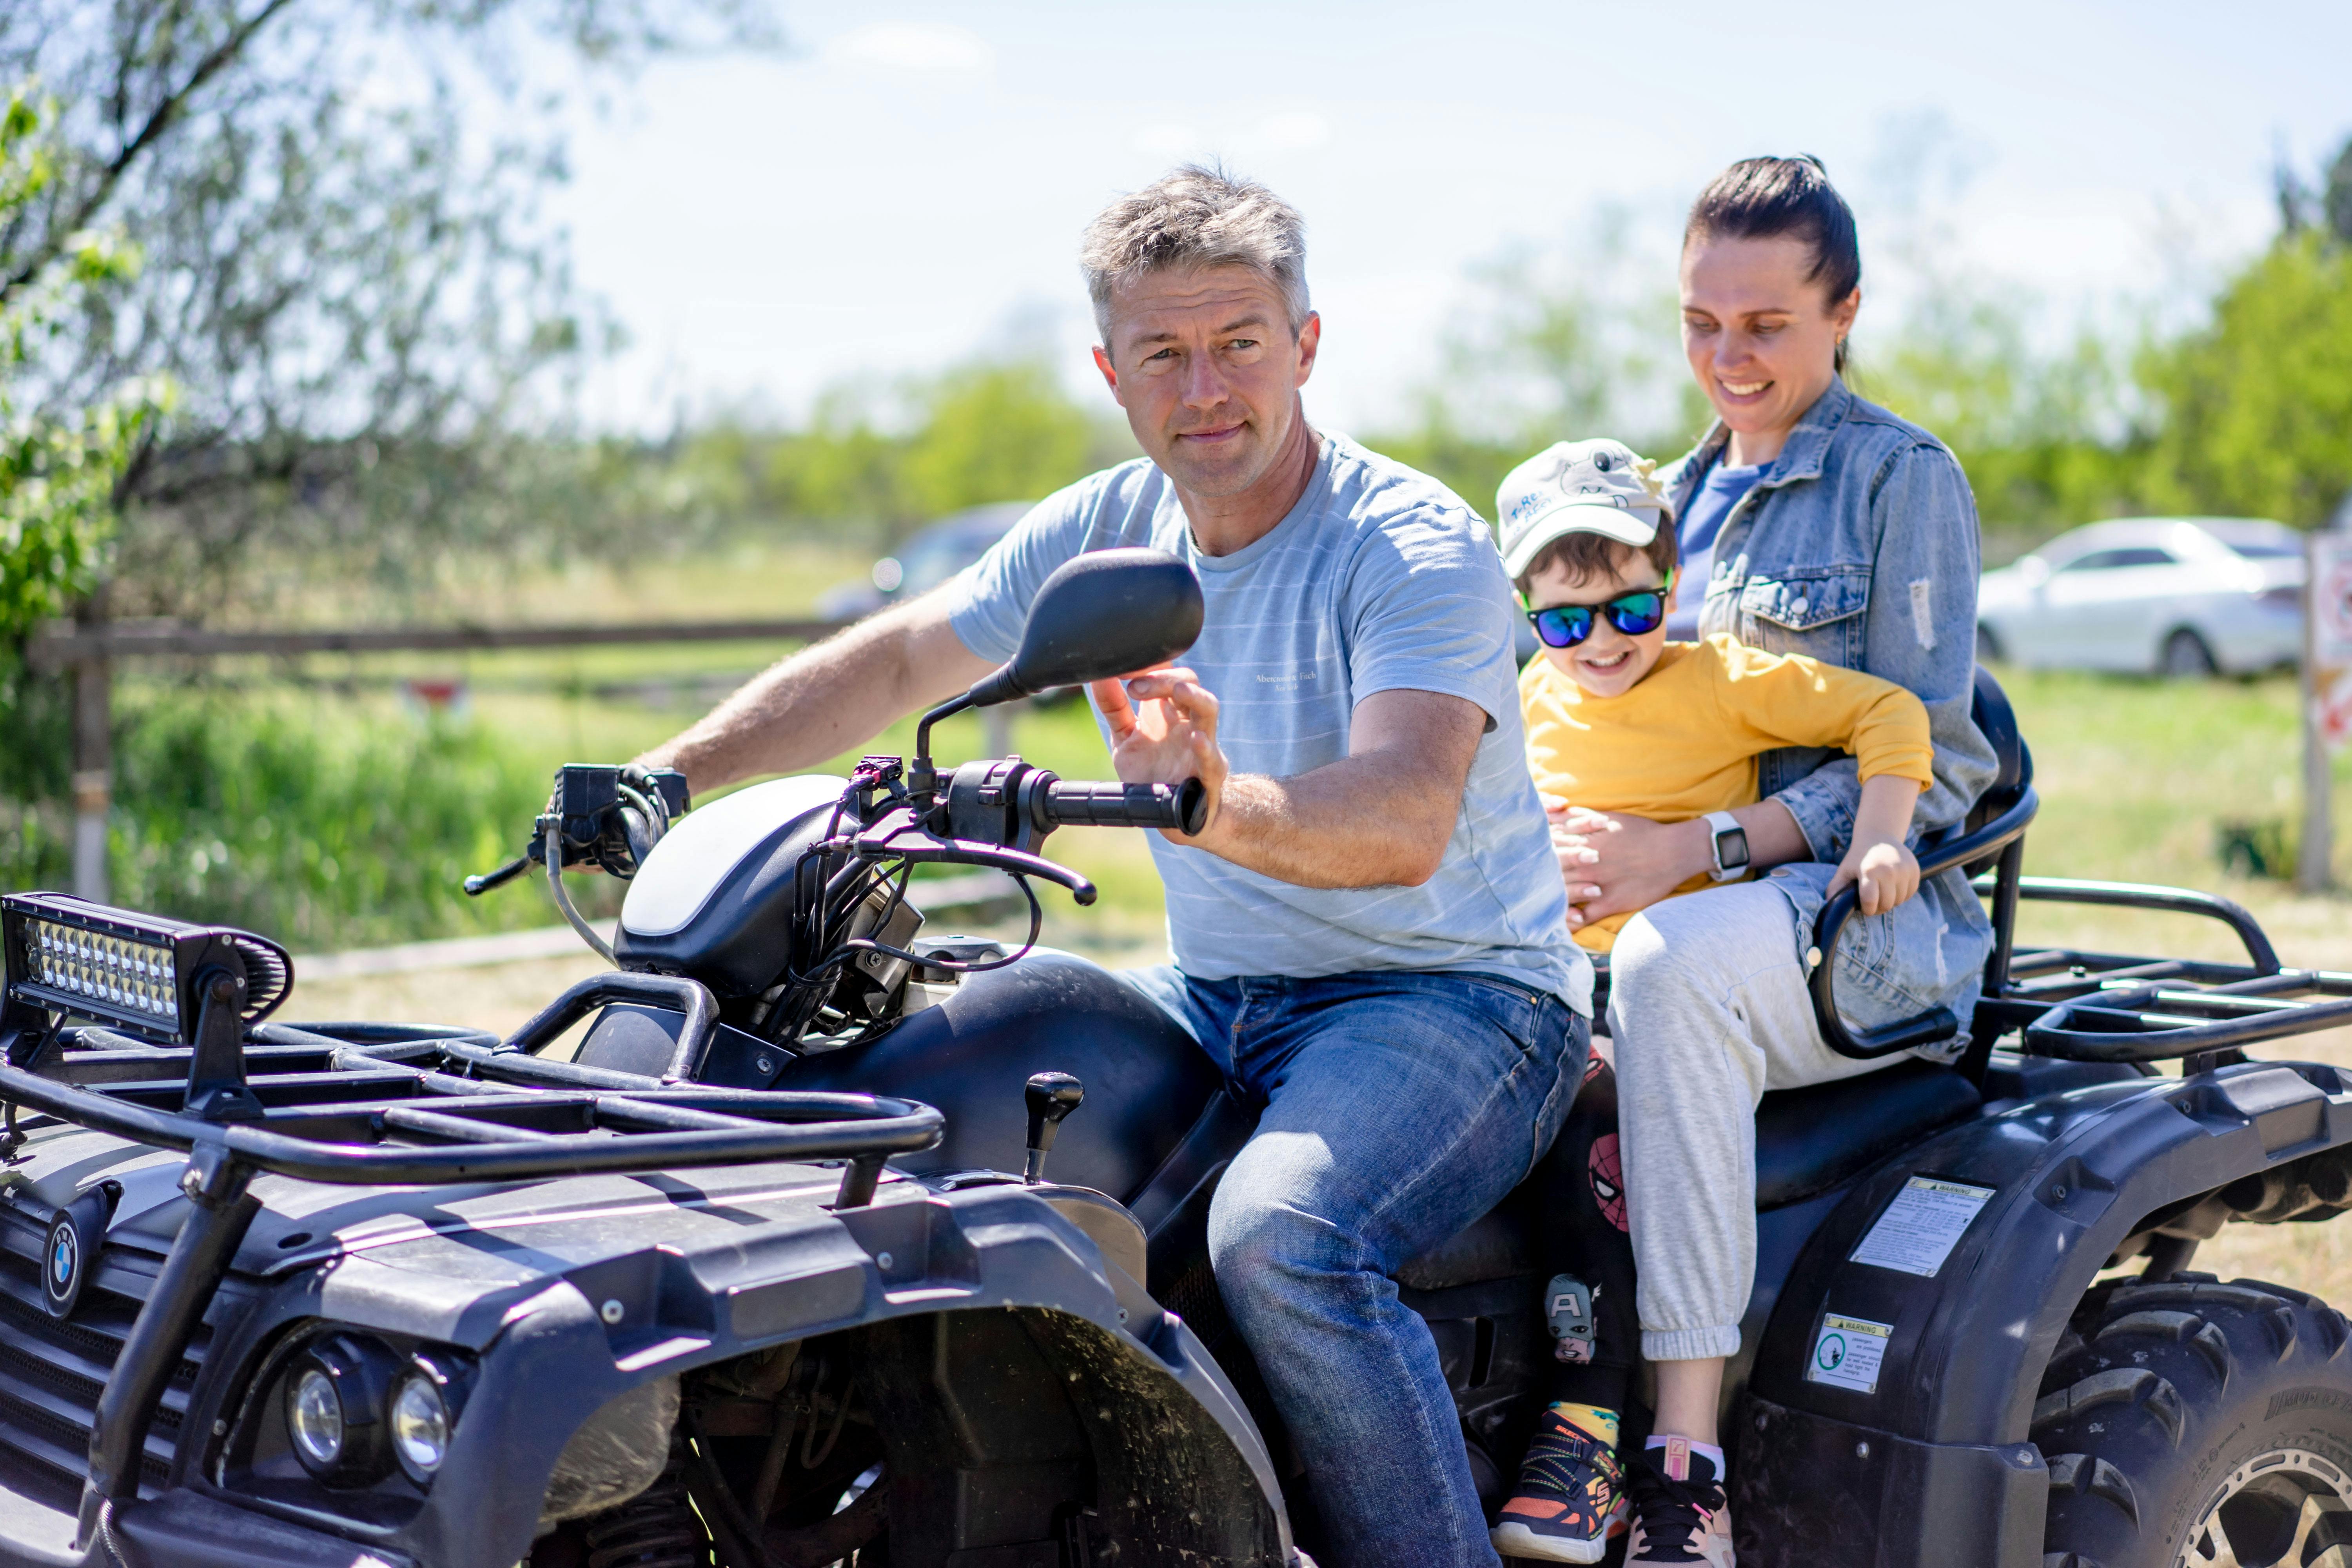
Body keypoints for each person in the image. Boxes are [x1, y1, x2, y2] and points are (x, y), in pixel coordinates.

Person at [634, 165, 1589, 1568]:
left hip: (1455, 997)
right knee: (917, 1114)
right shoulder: (1101, 532)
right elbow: (904, 656)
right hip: (1223, 993)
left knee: (1285, 1238)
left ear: (1307, 345)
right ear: (1110, 371)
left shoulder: (1412, 545)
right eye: (1163, 353)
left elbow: (1403, 820)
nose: (1205, 387)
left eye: (1239, 343)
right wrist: (668, 776)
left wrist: (1212, 801)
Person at [1532, 157, 1999, 1568]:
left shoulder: (1897, 478)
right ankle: (1543, 1406)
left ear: (1843, 311)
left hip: (1855, 916)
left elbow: (1941, 766)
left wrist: (1699, 846)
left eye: (1768, 324)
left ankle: (1685, 1466)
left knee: (1672, 963)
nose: (1728, 359)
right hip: (1667, 912)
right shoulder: (1653, 505)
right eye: (1701, 324)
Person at [1481, 436, 1936, 1564]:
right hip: (1544, 983)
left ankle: (1590, 1433)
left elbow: (1895, 717)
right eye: (1565, 619)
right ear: (1527, 614)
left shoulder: (1719, 682)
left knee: (1600, 1109)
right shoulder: (1522, 706)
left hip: (1658, 997)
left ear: (1668, 592)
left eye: (1630, 614)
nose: (1599, 645)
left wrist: (1878, 841)